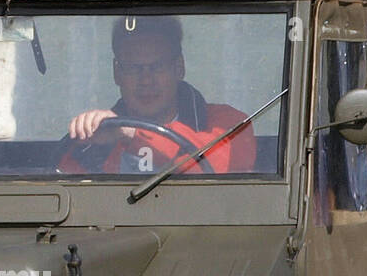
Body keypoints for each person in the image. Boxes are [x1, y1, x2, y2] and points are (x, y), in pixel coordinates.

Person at [59, 16, 256, 175]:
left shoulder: (230, 124)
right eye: (133, 68)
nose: (146, 80)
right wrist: (88, 132)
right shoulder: (96, 142)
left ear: (179, 68)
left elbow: (224, 167)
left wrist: (133, 134)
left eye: (157, 67)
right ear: (116, 73)